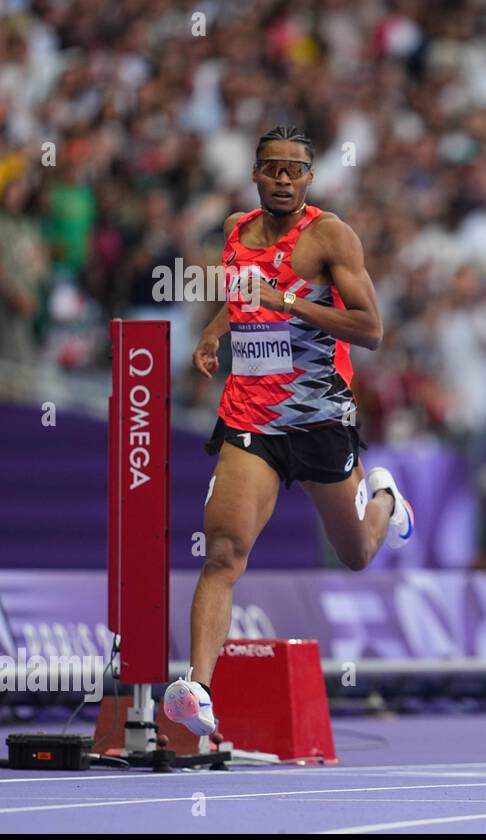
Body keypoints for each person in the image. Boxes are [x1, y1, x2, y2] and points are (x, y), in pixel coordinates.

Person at [162, 126, 415, 737]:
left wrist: (292, 304)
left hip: (319, 417)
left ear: (309, 178)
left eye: (294, 170)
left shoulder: (330, 236)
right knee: (224, 551)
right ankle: (196, 687)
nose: (282, 178)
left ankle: (383, 497)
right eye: (271, 168)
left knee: (356, 554)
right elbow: (245, 297)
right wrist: (214, 332)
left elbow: (371, 328)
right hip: (250, 418)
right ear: (254, 173)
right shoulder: (234, 231)